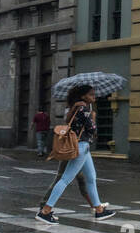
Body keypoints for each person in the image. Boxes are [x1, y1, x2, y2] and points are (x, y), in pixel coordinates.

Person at [37, 86, 114, 224]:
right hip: (81, 146)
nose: (94, 97)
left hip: (83, 147)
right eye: (91, 95)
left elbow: (68, 121)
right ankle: (45, 211)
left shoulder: (78, 107)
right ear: (84, 96)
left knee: (91, 178)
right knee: (65, 179)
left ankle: (99, 211)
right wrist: (94, 118)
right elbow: (92, 130)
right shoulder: (84, 109)